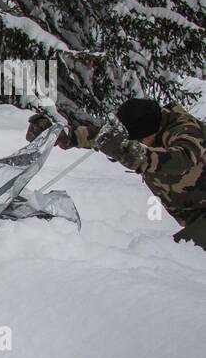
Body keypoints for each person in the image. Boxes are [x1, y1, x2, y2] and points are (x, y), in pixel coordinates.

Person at [27, 99, 206, 250]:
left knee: (173, 262)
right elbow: (102, 137)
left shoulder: (185, 130)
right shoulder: (148, 125)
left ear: (152, 132)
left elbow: (181, 160)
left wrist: (131, 153)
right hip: (194, 217)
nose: (138, 146)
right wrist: (64, 135)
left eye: (139, 142)